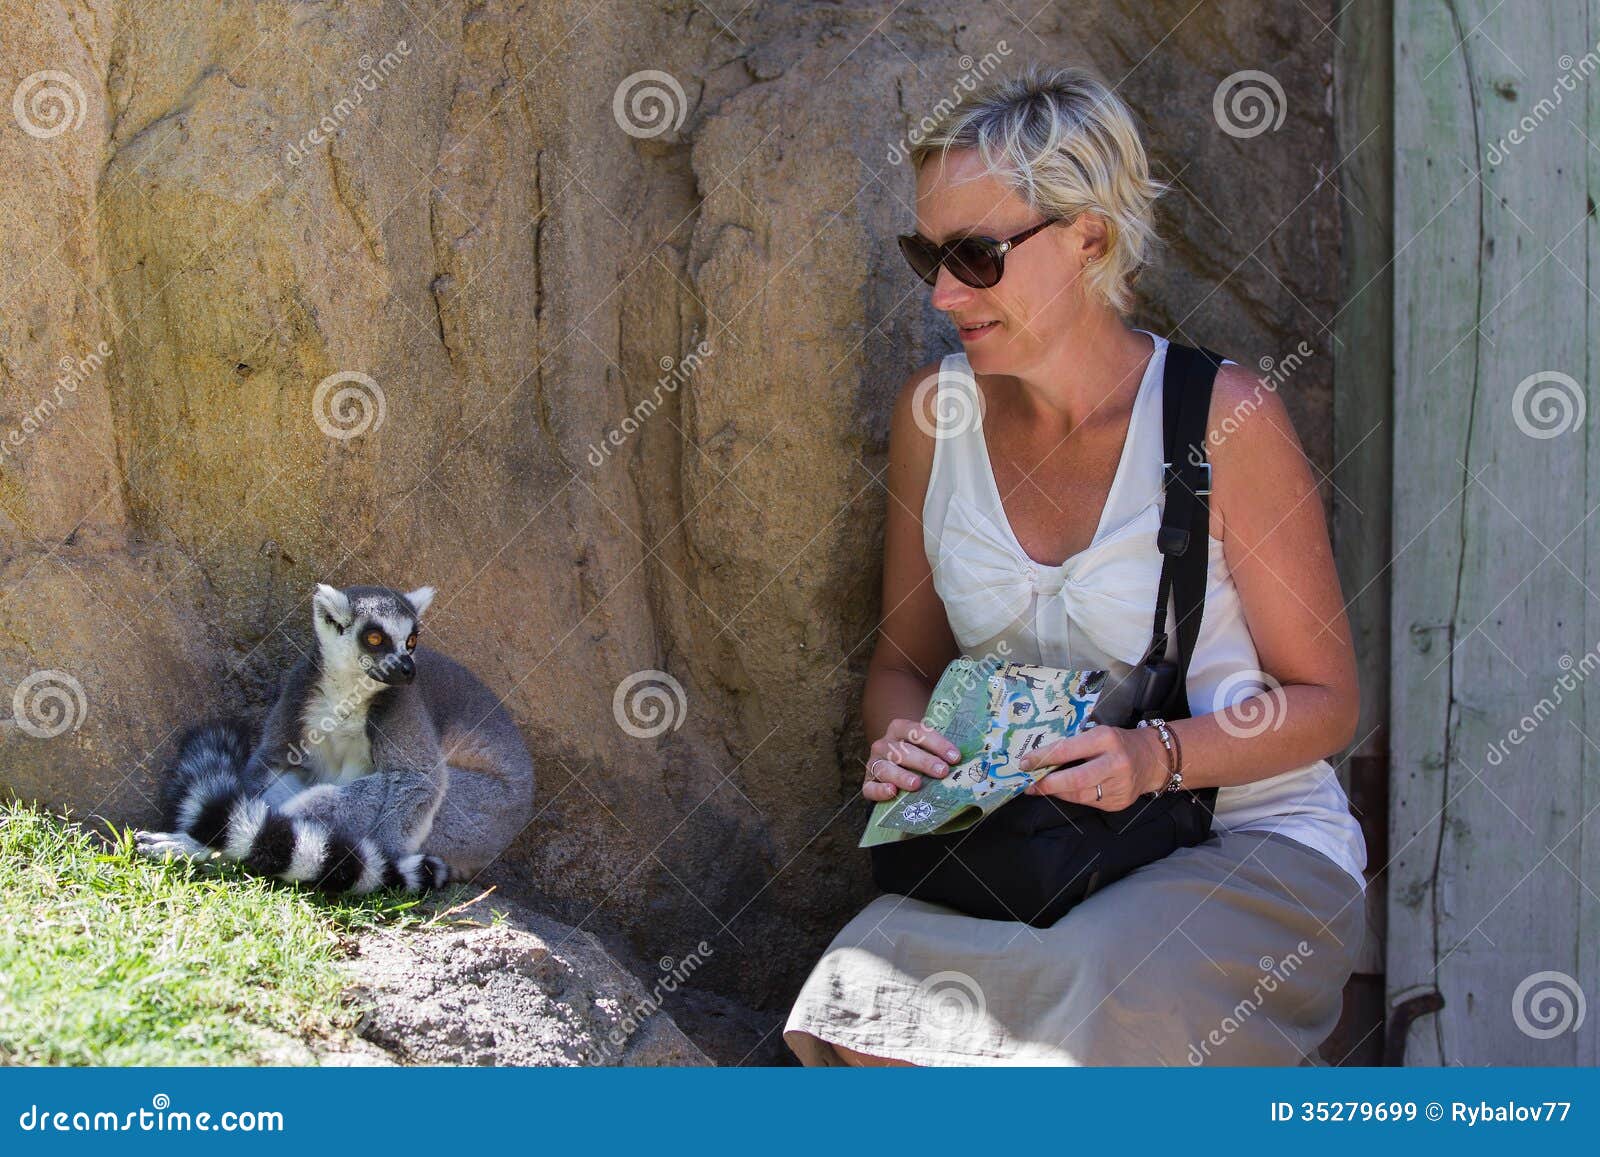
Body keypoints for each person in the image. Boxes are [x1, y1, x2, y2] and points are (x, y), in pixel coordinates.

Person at [783, 67, 1368, 1066]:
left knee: (1094, 988)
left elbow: (1326, 704)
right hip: (1035, 848)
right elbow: (903, 664)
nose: (942, 293)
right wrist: (906, 746)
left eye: (976, 255)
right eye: (926, 254)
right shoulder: (934, 415)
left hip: (1244, 838)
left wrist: (1155, 757)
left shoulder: (1223, 418)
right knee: (857, 987)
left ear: (1090, 236)